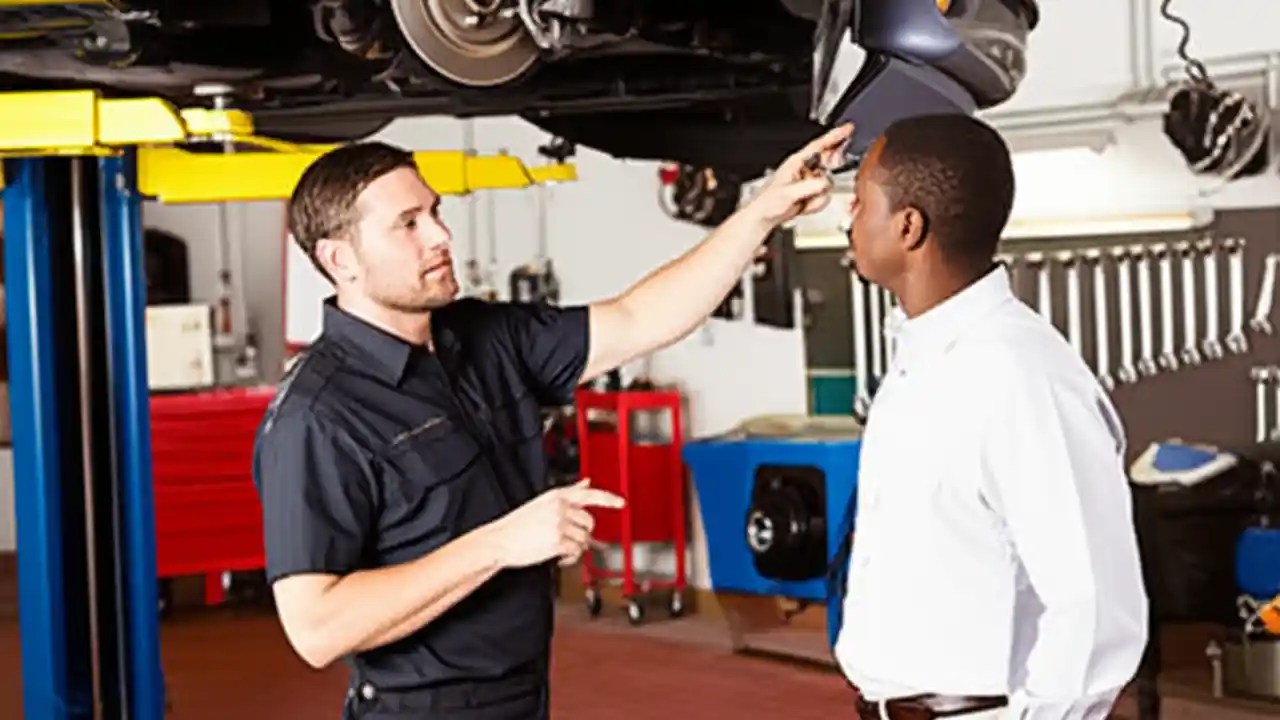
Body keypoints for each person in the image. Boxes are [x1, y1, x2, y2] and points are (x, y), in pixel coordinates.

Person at [252, 122, 854, 719]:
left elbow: (639, 318)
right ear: (340, 260)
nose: (439, 235)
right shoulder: (317, 415)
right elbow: (317, 628)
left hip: (522, 694)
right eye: (408, 225)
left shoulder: (483, 338)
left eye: (434, 212)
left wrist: (762, 212)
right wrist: (501, 543)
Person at [827, 113, 1149, 720]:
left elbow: (1094, 603)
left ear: (908, 227)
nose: (847, 218)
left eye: (860, 200)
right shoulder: (917, 361)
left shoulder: (1020, 376)